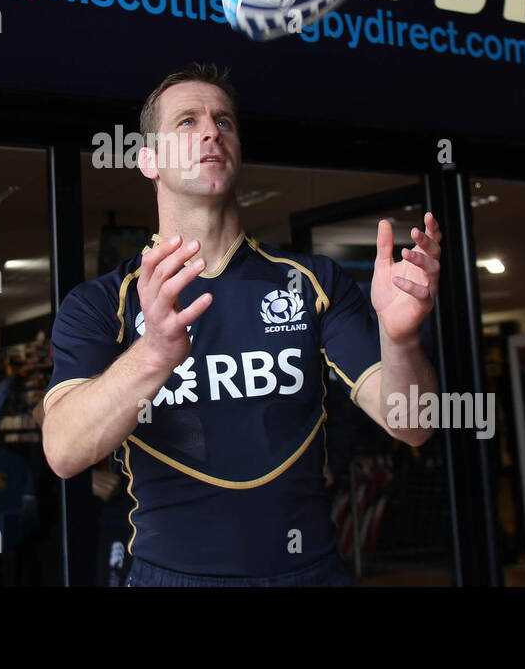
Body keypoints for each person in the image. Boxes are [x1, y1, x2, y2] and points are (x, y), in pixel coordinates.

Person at [42, 63, 441, 586]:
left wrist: (400, 337)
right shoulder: (98, 304)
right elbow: (65, 452)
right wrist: (155, 352)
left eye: (224, 121)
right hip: (174, 576)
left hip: (311, 571)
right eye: (186, 122)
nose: (211, 130)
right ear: (148, 161)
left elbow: (413, 424)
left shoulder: (313, 281)